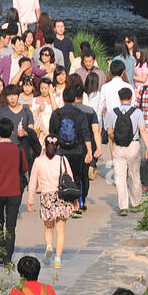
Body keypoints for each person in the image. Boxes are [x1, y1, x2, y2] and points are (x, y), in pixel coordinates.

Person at [0, 117, 28, 264]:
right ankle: (8, 256)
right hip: (14, 191)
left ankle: (0, 254)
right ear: (12, 131)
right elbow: (25, 169)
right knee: (11, 224)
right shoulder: (18, 150)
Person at [27, 135, 75, 271]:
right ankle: (58, 260)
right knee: (61, 231)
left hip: (46, 197)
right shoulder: (63, 160)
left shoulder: (38, 161)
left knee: (48, 227)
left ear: (44, 145)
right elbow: (70, 180)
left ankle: (49, 246)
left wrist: (31, 200)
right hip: (61, 197)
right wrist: (75, 200)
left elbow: (32, 182)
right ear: (58, 147)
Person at [106, 85, 148, 216]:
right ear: (131, 98)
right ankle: (136, 203)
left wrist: (116, 139)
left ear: (119, 98)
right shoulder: (137, 112)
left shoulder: (113, 112)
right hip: (133, 146)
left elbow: (109, 131)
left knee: (120, 177)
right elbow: (142, 130)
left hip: (118, 147)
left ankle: (123, 206)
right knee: (134, 175)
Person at [48, 84, 93, 215]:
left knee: (61, 177)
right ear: (75, 99)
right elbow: (86, 134)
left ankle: (61, 204)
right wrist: (89, 152)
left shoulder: (56, 114)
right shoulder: (80, 114)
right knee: (77, 178)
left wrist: (50, 153)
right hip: (77, 151)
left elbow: (52, 134)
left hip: (60, 152)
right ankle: (77, 206)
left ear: (63, 98)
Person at [32, 75, 56, 139]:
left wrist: (51, 94)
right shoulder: (34, 100)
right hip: (39, 130)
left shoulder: (54, 99)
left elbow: (57, 112)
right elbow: (32, 115)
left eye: (45, 88)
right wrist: (39, 109)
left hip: (51, 129)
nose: (43, 90)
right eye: (41, 88)